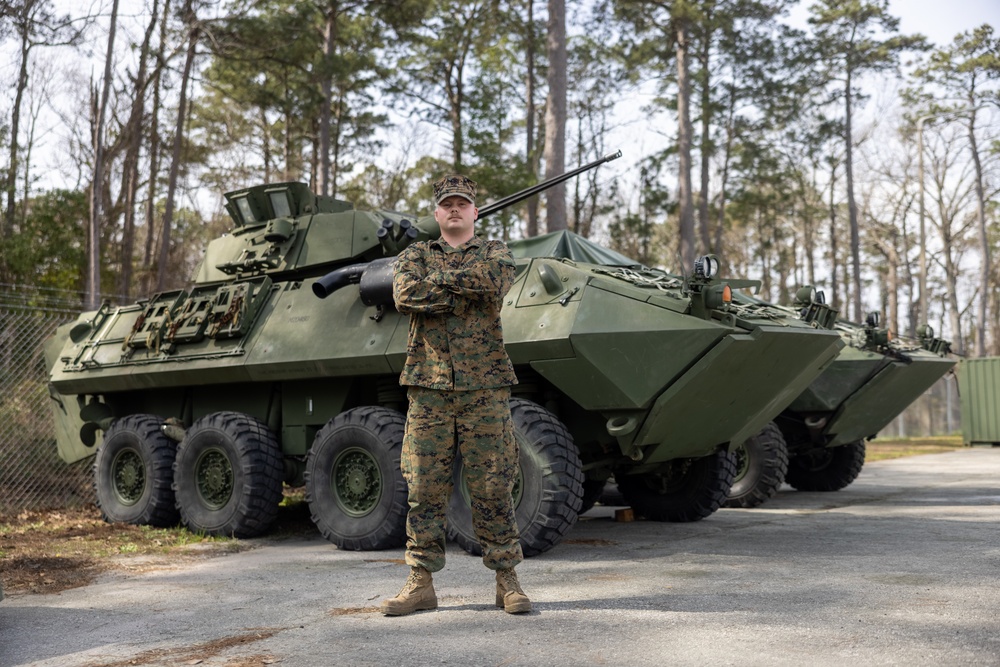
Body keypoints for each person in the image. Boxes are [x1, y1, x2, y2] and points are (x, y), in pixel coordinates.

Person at [382, 174, 529, 616]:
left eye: (462, 203)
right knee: (424, 486)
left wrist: (441, 287)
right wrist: (465, 289)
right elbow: (406, 293)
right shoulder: (414, 254)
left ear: (474, 212)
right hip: (428, 386)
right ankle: (420, 583)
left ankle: (507, 580)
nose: (454, 210)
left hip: (484, 385)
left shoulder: (495, 251)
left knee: (493, 484)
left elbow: (495, 280)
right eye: (447, 203)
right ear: (436, 213)